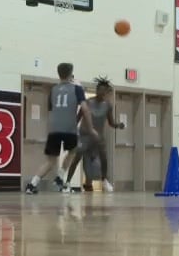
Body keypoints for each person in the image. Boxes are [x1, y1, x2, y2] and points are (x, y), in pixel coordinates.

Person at [25, 62, 94, 194]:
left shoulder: (53, 90)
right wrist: (90, 128)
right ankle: (60, 176)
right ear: (71, 74)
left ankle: (32, 185)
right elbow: (85, 109)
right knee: (73, 151)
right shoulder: (77, 89)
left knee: (50, 161)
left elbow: (51, 109)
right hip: (69, 127)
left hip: (54, 129)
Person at [62, 77, 126, 192]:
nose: (100, 92)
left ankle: (104, 181)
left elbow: (111, 122)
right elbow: (77, 118)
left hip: (98, 137)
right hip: (85, 136)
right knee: (77, 158)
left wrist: (118, 125)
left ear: (106, 92)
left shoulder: (108, 106)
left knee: (104, 158)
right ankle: (67, 183)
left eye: (103, 90)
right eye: (98, 89)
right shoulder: (87, 102)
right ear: (96, 90)